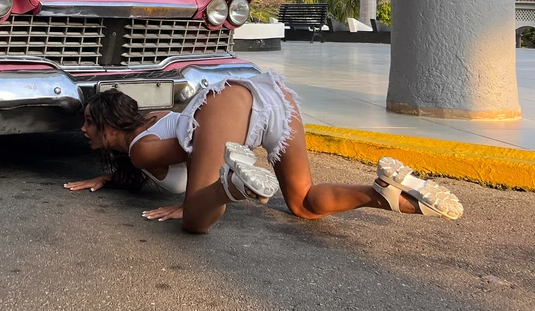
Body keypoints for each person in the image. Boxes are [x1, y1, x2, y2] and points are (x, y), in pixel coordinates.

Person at [64, 72, 463, 233]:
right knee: (305, 202)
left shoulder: (139, 150)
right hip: (274, 96)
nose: (82, 130)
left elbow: (193, 151)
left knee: (196, 221)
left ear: (110, 126)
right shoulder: (151, 121)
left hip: (225, 108)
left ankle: (231, 186)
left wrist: (194, 200)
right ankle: (385, 192)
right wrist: (110, 177)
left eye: (88, 123)